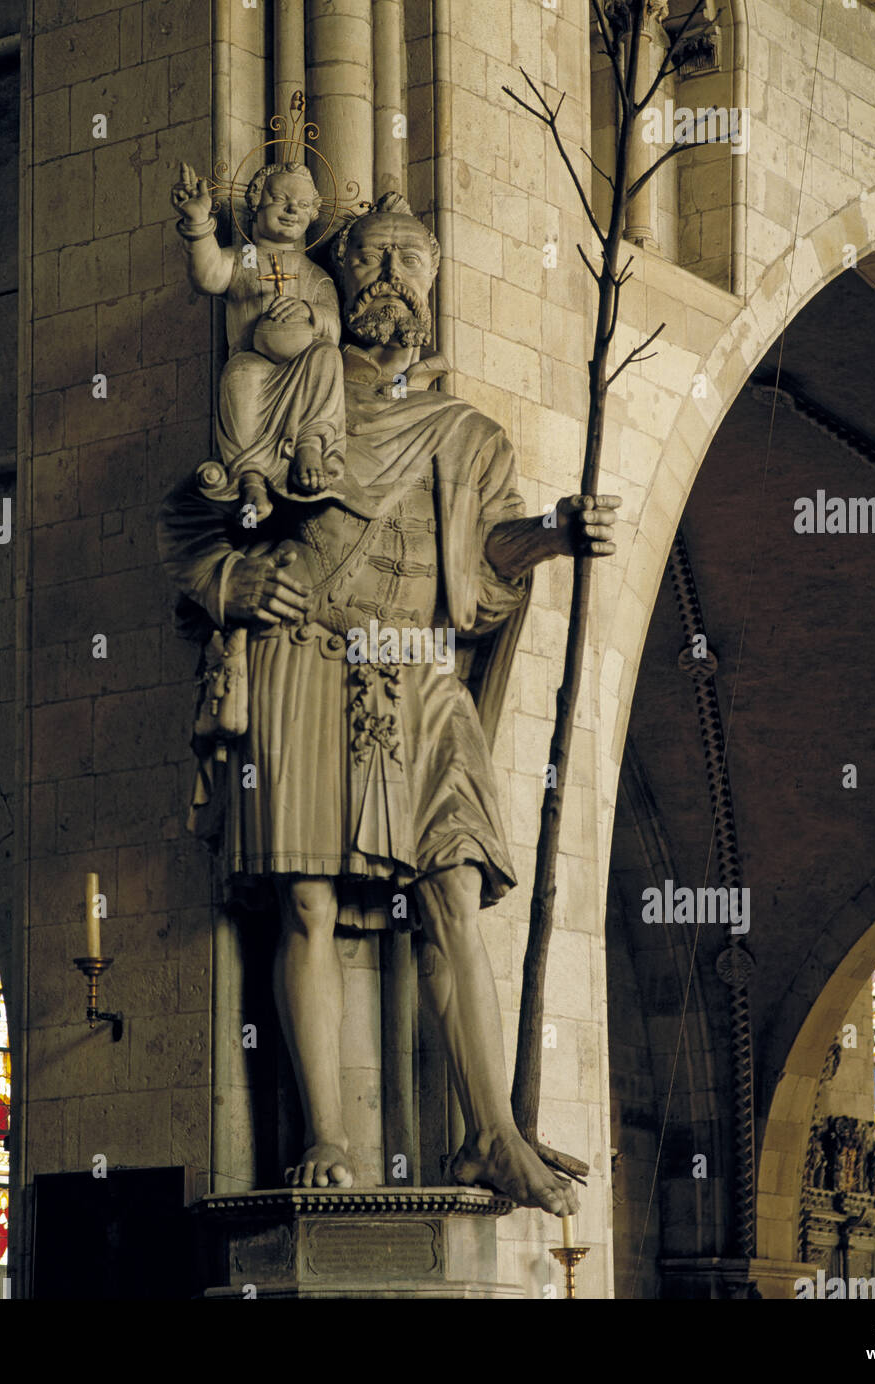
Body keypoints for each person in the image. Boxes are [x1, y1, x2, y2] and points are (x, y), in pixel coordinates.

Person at [160, 193, 618, 1216]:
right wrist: (234, 583)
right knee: (308, 902)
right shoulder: (283, 395)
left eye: (412, 263)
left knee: (453, 892)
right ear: (337, 273)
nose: (393, 280)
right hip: (305, 656)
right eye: (373, 260)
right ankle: (328, 1132)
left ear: (434, 286)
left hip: (419, 676)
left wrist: (553, 529)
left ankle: (489, 1130)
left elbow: (491, 560)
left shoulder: (465, 431)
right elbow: (190, 523)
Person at [172, 159, 345, 522]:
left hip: (303, 364)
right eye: (279, 198)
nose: (290, 209)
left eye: (301, 204)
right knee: (240, 374)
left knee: (328, 355)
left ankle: (310, 446)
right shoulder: (241, 259)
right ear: (256, 203)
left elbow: (333, 326)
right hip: (254, 360)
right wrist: (199, 223)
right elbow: (207, 276)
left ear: (314, 214)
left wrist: (309, 313)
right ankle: (250, 478)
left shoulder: (316, 275)